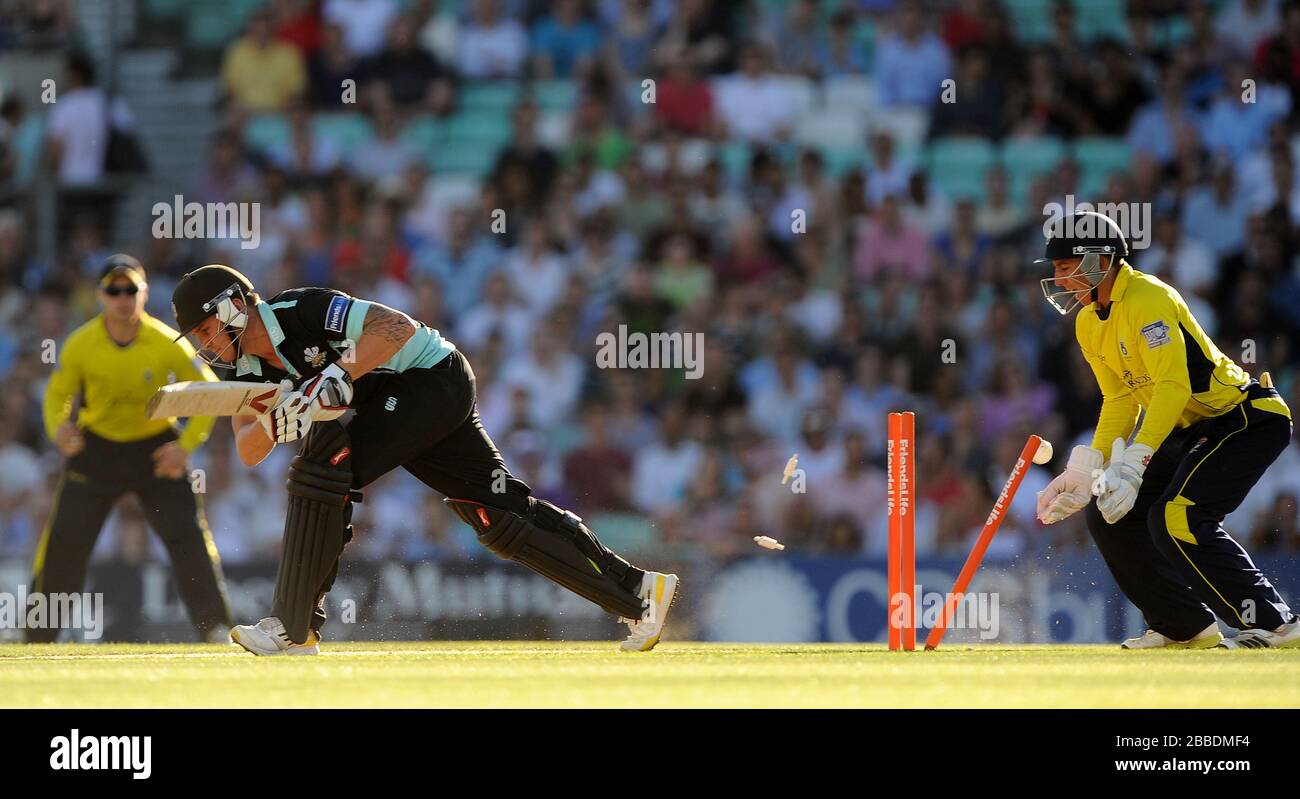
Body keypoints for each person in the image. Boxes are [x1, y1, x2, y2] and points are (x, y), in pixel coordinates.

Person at [169, 264, 677, 655]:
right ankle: (638, 593)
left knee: (324, 465)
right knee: (497, 516)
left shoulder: (300, 310)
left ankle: (293, 626)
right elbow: (247, 449)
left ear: (232, 307)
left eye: (203, 329)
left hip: (430, 378)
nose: (202, 344)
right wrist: (273, 423)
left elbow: (395, 328)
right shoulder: (248, 368)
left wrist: (336, 378)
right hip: (403, 401)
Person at [1034, 210, 1298, 649]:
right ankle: (1184, 628)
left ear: (1099, 260)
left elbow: (1173, 386)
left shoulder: (1148, 297)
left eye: (1065, 269)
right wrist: (1087, 469)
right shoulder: (1087, 322)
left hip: (1244, 417)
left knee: (1177, 516)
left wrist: (1135, 462)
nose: (1059, 282)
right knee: (1107, 515)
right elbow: (1119, 399)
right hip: (1186, 429)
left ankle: (1279, 624)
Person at [34, 255, 232, 643]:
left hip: (156, 451)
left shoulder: (162, 340)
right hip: (97, 450)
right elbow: (57, 394)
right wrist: (60, 430)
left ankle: (215, 629)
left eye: (131, 289)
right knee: (64, 544)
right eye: (114, 290)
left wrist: (185, 447)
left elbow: (209, 390)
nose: (123, 297)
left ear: (144, 292)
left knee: (187, 538)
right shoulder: (81, 344)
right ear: (100, 296)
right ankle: (37, 637)